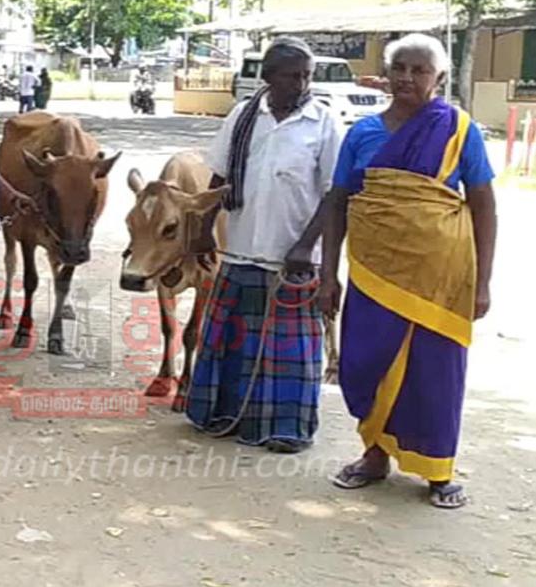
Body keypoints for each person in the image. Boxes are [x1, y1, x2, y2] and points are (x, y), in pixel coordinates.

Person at [323, 34, 497, 509]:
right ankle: (374, 456)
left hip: (440, 277)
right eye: (399, 68)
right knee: (368, 363)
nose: (406, 77)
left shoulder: (459, 129)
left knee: (435, 370)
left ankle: (438, 469)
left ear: (439, 77)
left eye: (419, 70)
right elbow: (337, 202)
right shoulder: (362, 133)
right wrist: (327, 274)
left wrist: (482, 282)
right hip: (371, 274)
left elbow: (483, 204)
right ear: (386, 73)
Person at [184, 37, 341, 452]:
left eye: (307, 76)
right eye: (292, 76)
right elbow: (219, 177)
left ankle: (285, 428)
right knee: (235, 345)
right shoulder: (243, 115)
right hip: (241, 249)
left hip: (292, 259)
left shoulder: (323, 121)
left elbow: (334, 194)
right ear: (269, 77)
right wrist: (204, 228)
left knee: (288, 353)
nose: (302, 84)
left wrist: (305, 246)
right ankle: (225, 415)